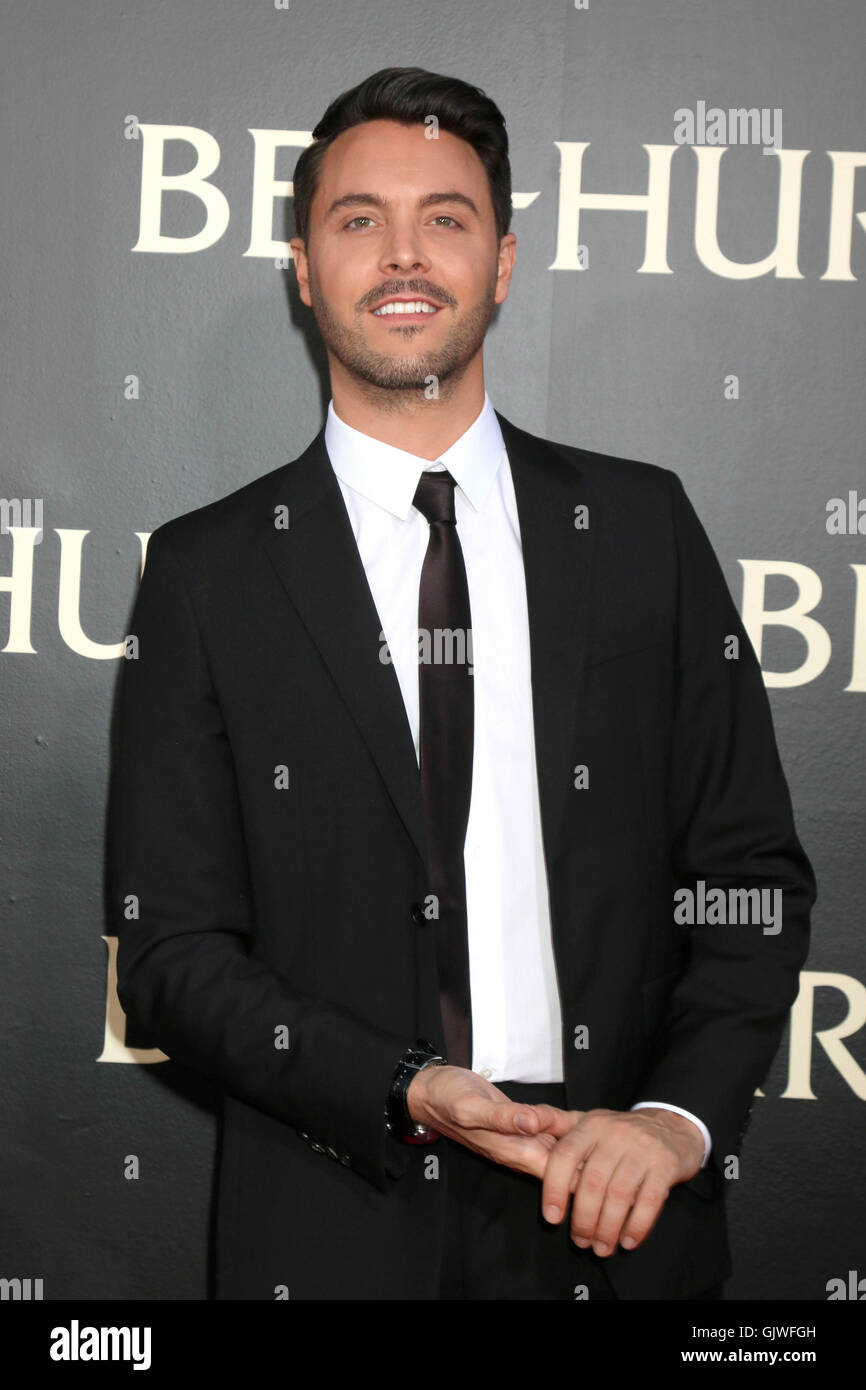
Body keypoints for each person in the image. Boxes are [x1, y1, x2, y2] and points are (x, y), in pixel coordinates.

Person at [109, 66, 815, 1300]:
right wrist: (398, 1086)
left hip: (617, 1210)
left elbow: (746, 879)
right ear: (300, 264)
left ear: (498, 262)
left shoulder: (639, 528)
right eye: (356, 219)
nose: (402, 255)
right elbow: (169, 949)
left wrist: (672, 1123)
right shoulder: (204, 572)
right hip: (333, 1209)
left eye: (445, 218)